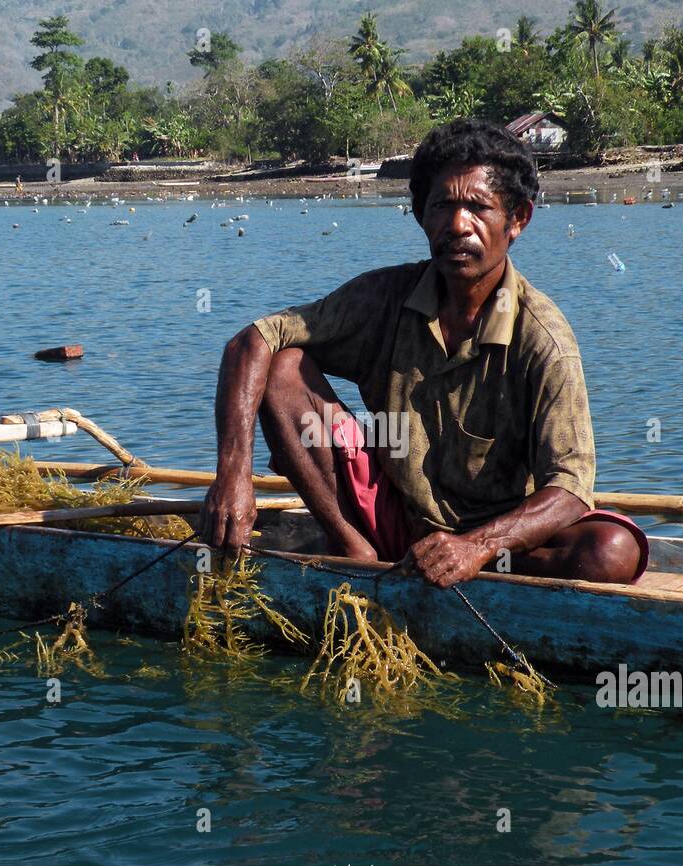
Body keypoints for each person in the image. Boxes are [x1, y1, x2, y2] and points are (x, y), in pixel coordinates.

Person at [201, 118, 647, 588]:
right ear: (420, 214)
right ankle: (354, 551)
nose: (458, 225)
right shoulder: (384, 297)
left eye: (478, 207)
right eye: (442, 206)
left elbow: (571, 489)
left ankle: (456, 567)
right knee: (283, 364)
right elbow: (251, 340)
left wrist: (475, 546)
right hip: (388, 514)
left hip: (495, 541)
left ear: (517, 219)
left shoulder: (544, 340)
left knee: (612, 551)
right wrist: (233, 477)